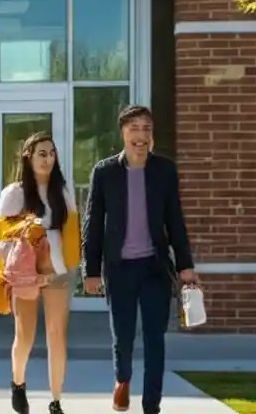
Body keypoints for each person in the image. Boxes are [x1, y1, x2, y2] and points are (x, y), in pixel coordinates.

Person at [82, 105, 198, 414]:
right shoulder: (104, 172)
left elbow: (175, 220)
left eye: (147, 128)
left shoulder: (164, 170)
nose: (141, 135)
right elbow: (93, 224)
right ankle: (122, 378)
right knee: (122, 335)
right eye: (134, 128)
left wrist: (186, 265)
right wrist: (91, 270)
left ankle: (151, 405)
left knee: (155, 338)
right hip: (119, 269)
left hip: (155, 268)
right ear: (122, 133)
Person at [0, 132, 78, 414]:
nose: (48, 159)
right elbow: (4, 240)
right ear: (28, 157)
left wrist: (68, 269)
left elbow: (71, 236)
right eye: (42, 153)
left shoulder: (63, 193)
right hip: (25, 273)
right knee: (26, 335)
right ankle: (18, 384)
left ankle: (56, 401)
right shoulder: (14, 193)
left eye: (52, 153)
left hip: (57, 271)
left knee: (57, 335)